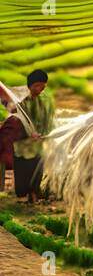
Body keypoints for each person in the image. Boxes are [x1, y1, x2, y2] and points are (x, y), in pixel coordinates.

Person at [0, 70, 57, 202]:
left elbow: (48, 119)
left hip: (39, 140)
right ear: (30, 86)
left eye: (42, 86)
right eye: (36, 85)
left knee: (37, 167)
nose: (39, 89)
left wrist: (45, 133)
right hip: (24, 142)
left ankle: (35, 193)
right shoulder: (23, 101)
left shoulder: (46, 101)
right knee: (22, 168)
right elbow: (20, 118)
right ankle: (25, 195)